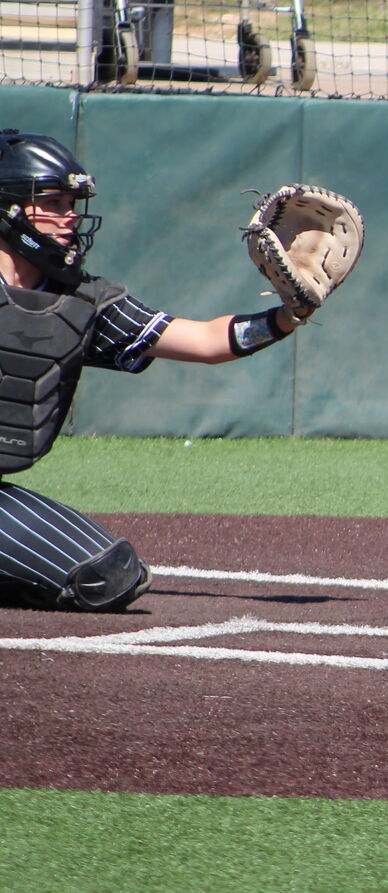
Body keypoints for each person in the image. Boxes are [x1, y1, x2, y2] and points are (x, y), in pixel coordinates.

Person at [0, 131, 321, 612]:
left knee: (109, 577)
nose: (68, 217)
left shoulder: (82, 300)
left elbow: (206, 341)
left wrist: (286, 317)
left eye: (72, 203)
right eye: (52, 202)